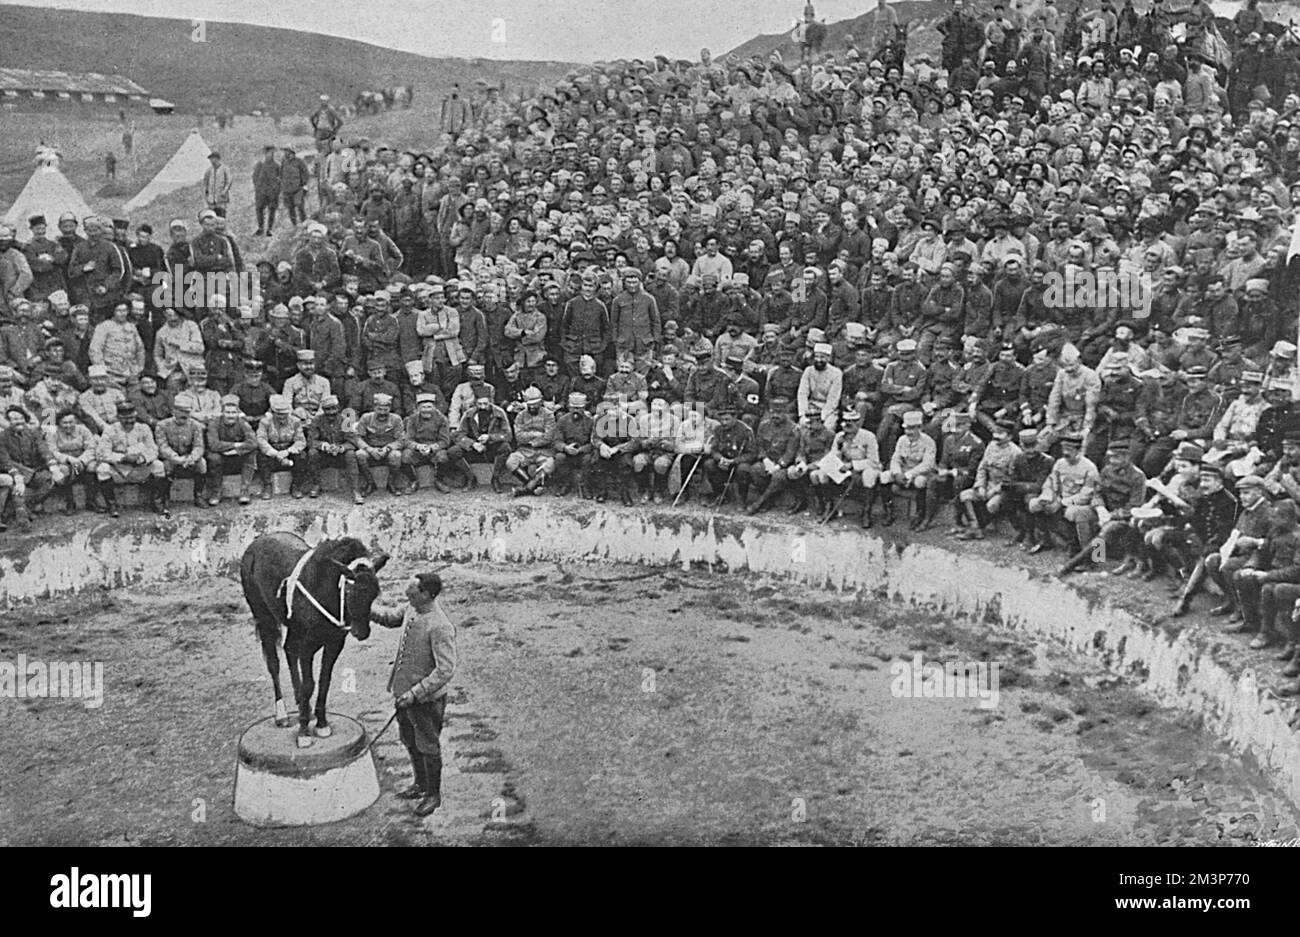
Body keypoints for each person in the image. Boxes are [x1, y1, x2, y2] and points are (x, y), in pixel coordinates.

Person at [371, 570, 458, 818]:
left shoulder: (440, 625)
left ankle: (433, 795)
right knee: (409, 740)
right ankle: (420, 785)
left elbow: (445, 669)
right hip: (403, 695)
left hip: (424, 701)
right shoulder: (412, 608)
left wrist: (416, 693)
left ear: (427, 595)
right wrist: (363, 606)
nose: (407, 591)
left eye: (413, 588)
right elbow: (389, 618)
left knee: (428, 746)